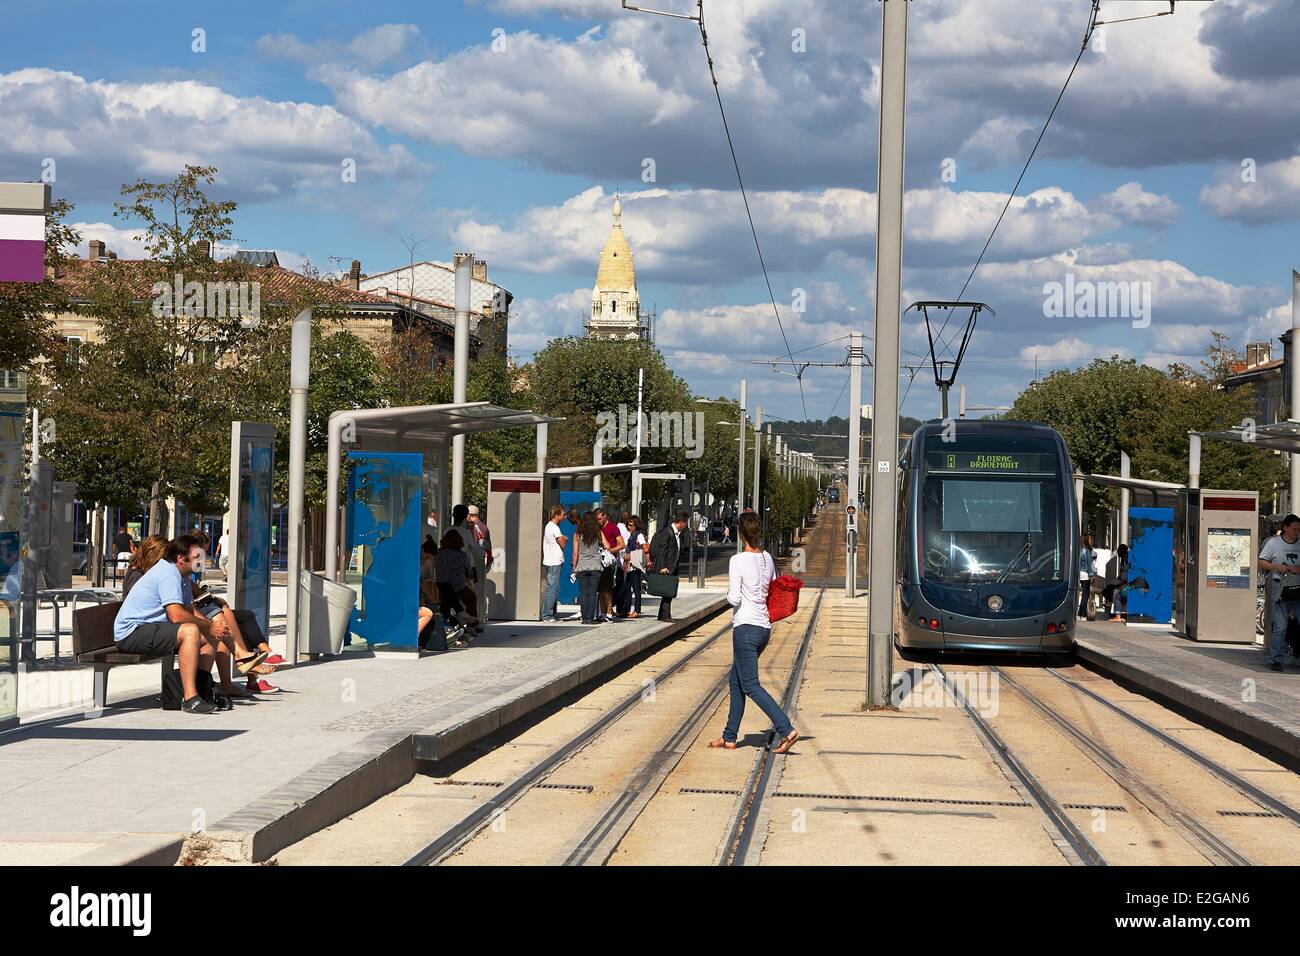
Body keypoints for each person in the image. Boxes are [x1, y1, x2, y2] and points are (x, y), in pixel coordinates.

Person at [709, 511, 798, 754]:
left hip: (745, 627)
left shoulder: (737, 561)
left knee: (750, 685)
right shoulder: (768, 558)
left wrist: (728, 595)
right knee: (736, 682)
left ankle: (786, 728)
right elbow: (773, 586)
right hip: (763, 628)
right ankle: (729, 736)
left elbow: (734, 597)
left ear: (740, 533)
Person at [113, 535, 228, 714]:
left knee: (208, 633)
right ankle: (190, 698)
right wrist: (207, 625)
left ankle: (203, 691)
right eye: (197, 556)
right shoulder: (168, 575)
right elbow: (176, 616)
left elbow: (189, 609)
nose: (202, 560)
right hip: (132, 632)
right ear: (181, 558)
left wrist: (212, 626)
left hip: (150, 628)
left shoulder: (181, 575)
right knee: (189, 631)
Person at [1258, 515, 1300, 672]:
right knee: (1280, 625)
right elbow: (1262, 561)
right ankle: (1276, 659)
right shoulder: (1273, 543)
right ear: (1286, 527)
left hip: (1298, 587)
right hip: (1280, 587)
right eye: (1294, 529)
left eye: (1299, 529)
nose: (1296, 532)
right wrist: (1276, 567)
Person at [435, 529, 478, 641]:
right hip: (459, 587)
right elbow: (469, 572)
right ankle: (471, 625)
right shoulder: (461, 555)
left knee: (447, 601)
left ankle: (458, 619)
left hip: (441, 587)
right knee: (471, 598)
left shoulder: (439, 553)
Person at [649, 510, 688, 623]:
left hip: (673, 566)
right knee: (667, 591)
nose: (686, 526)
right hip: (667, 567)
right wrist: (662, 566)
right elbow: (662, 551)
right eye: (685, 524)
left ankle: (662, 615)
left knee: (668, 591)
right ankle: (665, 615)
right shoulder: (667, 532)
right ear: (681, 522)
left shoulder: (677, 534)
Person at [452, 505, 486, 632]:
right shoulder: (465, 533)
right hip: (462, 573)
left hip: (447, 576)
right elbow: (476, 550)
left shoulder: (447, 530)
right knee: (470, 597)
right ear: (466, 517)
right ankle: (473, 624)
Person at [573, 512, 605, 625]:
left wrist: (574, 566)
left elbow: (575, 552)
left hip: (582, 566)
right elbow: (607, 546)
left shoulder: (578, 534)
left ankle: (584, 618)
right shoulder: (598, 533)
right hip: (595, 566)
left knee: (583, 593)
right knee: (592, 593)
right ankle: (590, 618)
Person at [595, 508, 624, 622]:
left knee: (607, 588)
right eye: (597, 519)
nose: (599, 521)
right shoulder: (597, 528)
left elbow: (622, 544)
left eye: (600, 519)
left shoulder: (613, 527)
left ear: (605, 516)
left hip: (609, 562)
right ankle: (603, 613)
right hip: (599, 561)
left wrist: (611, 551)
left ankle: (609, 612)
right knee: (601, 588)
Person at [617, 515, 647, 618]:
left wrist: (633, 555)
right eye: (628, 525)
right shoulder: (632, 535)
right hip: (629, 565)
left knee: (636, 588)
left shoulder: (639, 535)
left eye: (631, 525)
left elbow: (645, 548)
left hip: (635, 565)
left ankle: (637, 610)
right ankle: (626, 609)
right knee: (627, 587)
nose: (629, 527)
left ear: (636, 525)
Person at [542, 504, 568, 622]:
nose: (565, 516)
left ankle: (549, 613)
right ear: (557, 515)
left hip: (550, 560)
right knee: (553, 588)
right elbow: (562, 543)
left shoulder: (549, 526)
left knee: (551, 587)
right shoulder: (554, 527)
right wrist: (565, 539)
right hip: (554, 561)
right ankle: (547, 615)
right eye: (563, 514)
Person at [1103, 544, 1130, 622]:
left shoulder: (1126, 559)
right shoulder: (1124, 558)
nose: (1117, 552)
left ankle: (1117, 614)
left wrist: (1120, 582)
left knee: (1116, 594)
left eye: (1118, 550)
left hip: (1126, 582)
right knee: (1109, 587)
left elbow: (1126, 575)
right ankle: (1110, 601)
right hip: (1124, 581)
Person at [467, 505, 493, 572]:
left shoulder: (472, 526)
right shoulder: (485, 527)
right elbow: (489, 545)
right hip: (484, 560)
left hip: (475, 562)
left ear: (469, 515)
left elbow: (473, 544)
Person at [1078, 533, 1097, 619]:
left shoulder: (1080, 550)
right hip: (1086, 575)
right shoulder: (1087, 552)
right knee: (1086, 594)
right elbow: (1089, 566)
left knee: (1084, 594)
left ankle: (1080, 612)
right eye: (1089, 539)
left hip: (1080, 574)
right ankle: (1083, 612)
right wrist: (1091, 576)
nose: (1091, 541)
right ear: (1086, 540)